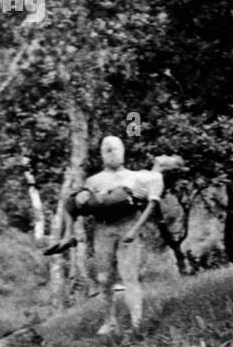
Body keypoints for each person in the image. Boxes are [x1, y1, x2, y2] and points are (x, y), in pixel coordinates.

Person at [44, 135, 164, 334]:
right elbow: (75, 204)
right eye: (107, 150)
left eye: (116, 149)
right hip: (103, 230)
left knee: (129, 276)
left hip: (127, 226)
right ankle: (109, 321)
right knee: (103, 277)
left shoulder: (137, 176)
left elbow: (152, 203)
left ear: (123, 151)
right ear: (101, 155)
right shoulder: (94, 180)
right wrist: (84, 200)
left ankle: (137, 322)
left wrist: (135, 230)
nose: (112, 153)